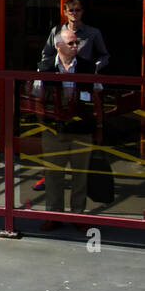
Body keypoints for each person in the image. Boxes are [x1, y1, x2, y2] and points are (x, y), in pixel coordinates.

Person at [37, 28, 97, 230]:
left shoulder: (88, 67)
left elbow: (98, 92)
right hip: (54, 129)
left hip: (81, 129)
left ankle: (78, 216)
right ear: (58, 45)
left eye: (76, 43)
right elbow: (36, 94)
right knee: (53, 175)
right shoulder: (44, 68)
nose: (75, 47)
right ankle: (54, 215)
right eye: (71, 43)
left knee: (80, 175)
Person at [38, 0, 108, 73]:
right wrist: (48, 68)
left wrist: (94, 68)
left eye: (77, 10)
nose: (74, 13)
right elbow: (46, 54)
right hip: (59, 74)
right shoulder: (56, 31)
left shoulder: (93, 32)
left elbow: (104, 56)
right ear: (65, 12)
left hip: (83, 74)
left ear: (82, 12)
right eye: (71, 10)